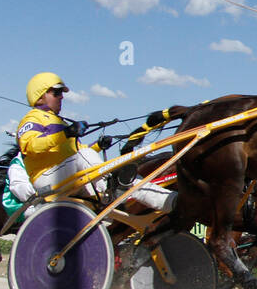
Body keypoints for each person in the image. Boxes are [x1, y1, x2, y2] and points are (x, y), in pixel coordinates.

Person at [17, 72, 174, 213]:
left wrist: (100, 145)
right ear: (40, 96)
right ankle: (113, 189)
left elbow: (77, 152)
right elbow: (29, 146)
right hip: (46, 181)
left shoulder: (60, 122)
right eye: (56, 92)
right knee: (90, 159)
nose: (61, 97)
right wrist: (66, 133)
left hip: (68, 177)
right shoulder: (32, 118)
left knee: (121, 171)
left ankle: (171, 201)